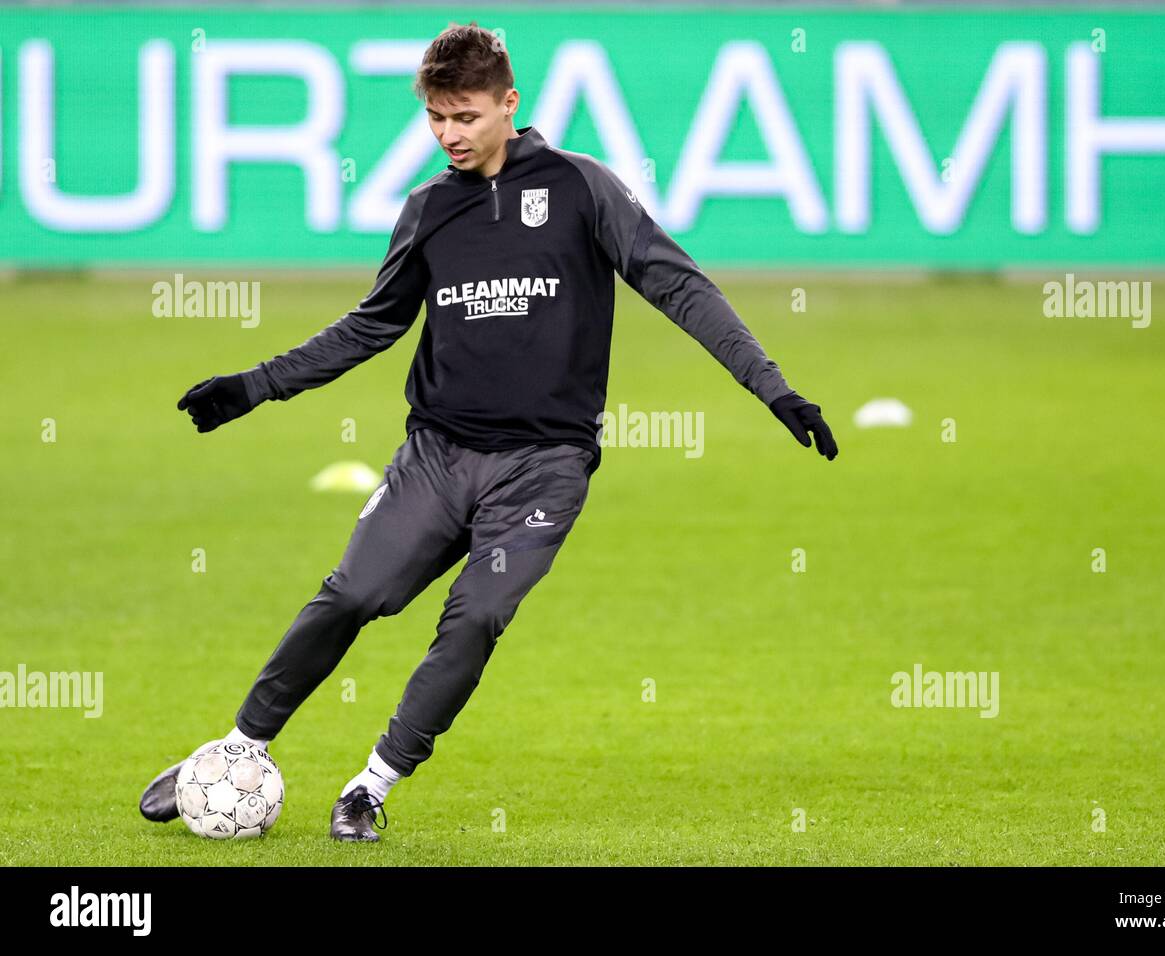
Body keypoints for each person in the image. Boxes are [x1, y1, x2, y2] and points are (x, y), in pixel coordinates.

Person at [139, 21, 837, 842]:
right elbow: (371, 326)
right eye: (436, 118)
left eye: (465, 116)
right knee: (354, 594)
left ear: (510, 103)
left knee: (473, 618)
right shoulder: (430, 210)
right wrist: (255, 387)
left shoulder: (583, 190)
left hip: (543, 469)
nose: (448, 135)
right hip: (436, 457)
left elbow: (680, 288)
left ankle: (371, 785)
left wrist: (773, 388)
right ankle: (236, 749)